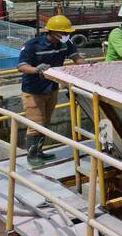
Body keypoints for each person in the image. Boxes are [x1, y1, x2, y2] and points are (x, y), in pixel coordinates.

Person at [16, 14, 86, 167]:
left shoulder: (65, 44)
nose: (67, 36)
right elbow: (21, 66)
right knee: (36, 123)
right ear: (53, 32)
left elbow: (76, 58)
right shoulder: (33, 45)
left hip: (51, 88)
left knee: (45, 121)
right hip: (34, 90)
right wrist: (36, 69)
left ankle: (39, 151)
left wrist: (87, 68)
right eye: (64, 33)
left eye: (68, 33)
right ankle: (32, 156)